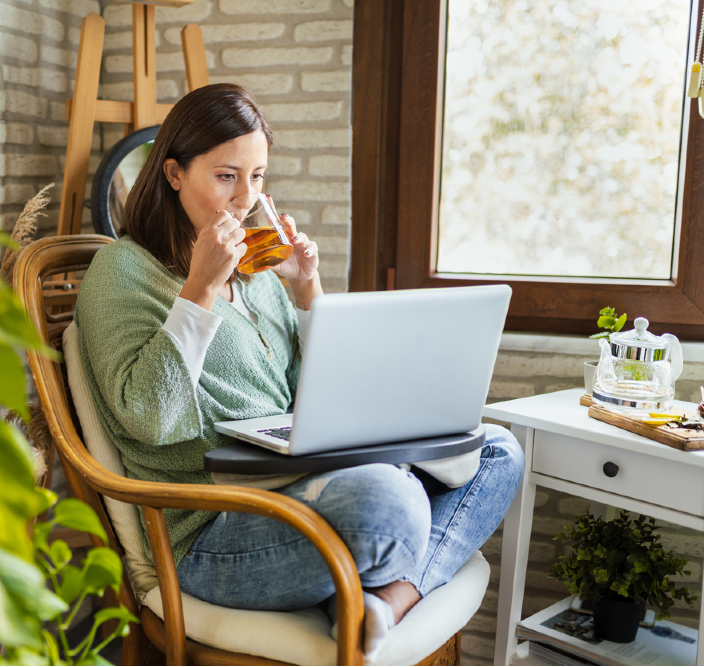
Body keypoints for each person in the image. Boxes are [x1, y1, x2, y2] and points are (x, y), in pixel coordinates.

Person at [74, 83, 524, 657]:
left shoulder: (257, 275)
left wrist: (305, 288)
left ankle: (385, 599)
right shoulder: (121, 271)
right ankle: (383, 571)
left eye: (258, 177)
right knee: (392, 501)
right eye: (227, 176)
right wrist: (200, 288)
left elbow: (315, 393)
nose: (245, 198)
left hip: (299, 476)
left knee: (498, 451)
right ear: (173, 174)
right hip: (214, 527)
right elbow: (150, 419)